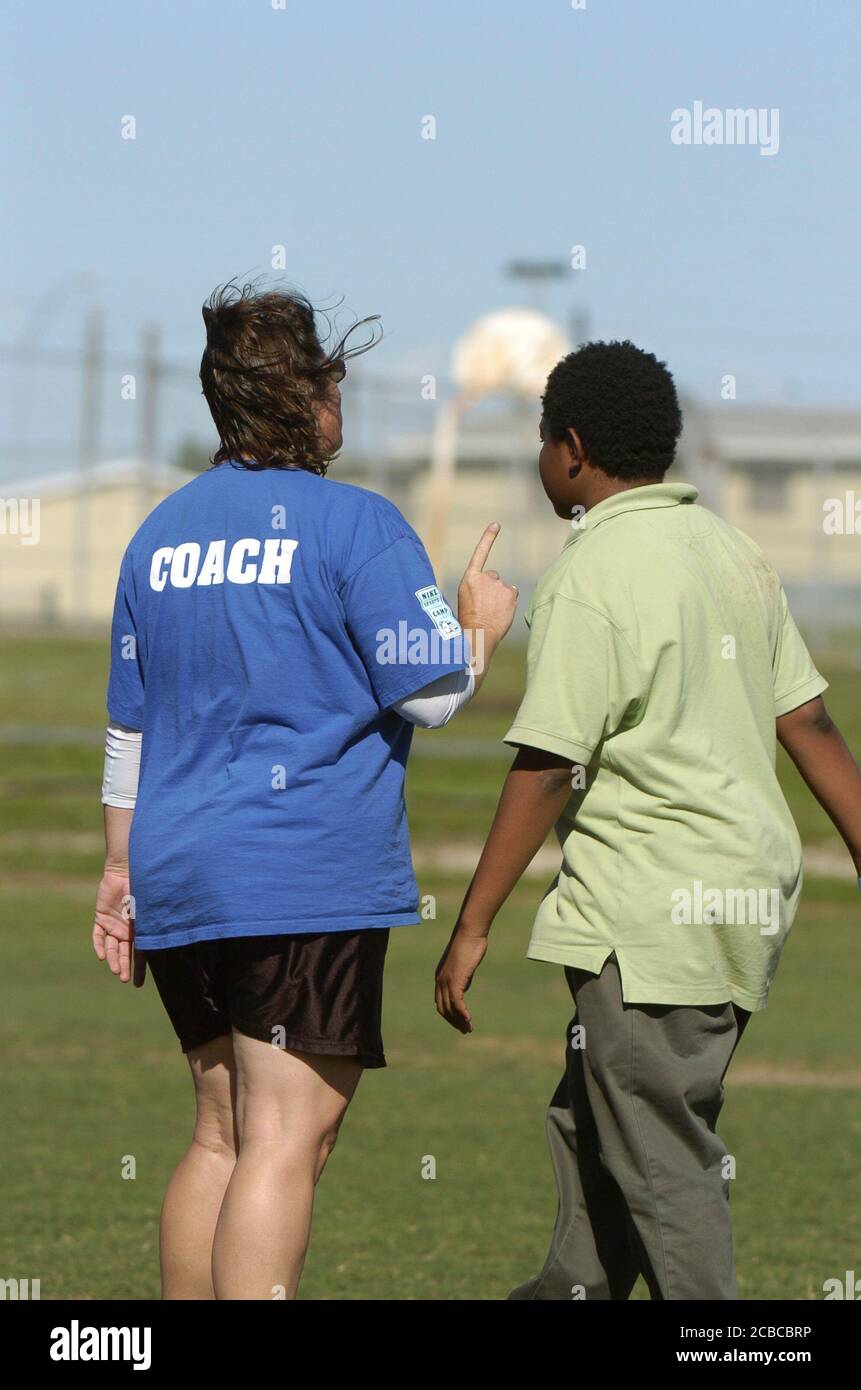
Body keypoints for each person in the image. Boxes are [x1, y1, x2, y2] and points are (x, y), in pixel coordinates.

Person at [92, 281, 517, 1300]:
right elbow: (431, 694)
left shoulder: (161, 533)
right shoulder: (355, 523)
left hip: (177, 870)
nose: (343, 396)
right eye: (332, 376)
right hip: (301, 873)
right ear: (303, 395)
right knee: (287, 1139)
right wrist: (481, 628)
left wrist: (117, 870)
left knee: (221, 1132)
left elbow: (128, 729)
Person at [435, 340, 861, 1301]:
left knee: (659, 1165)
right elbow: (810, 720)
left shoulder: (591, 571)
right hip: (738, 910)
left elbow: (547, 764)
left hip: (650, 916)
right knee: (602, 1144)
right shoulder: (731, 551)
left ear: (572, 450)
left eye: (543, 441)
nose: (540, 459)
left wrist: (468, 927)